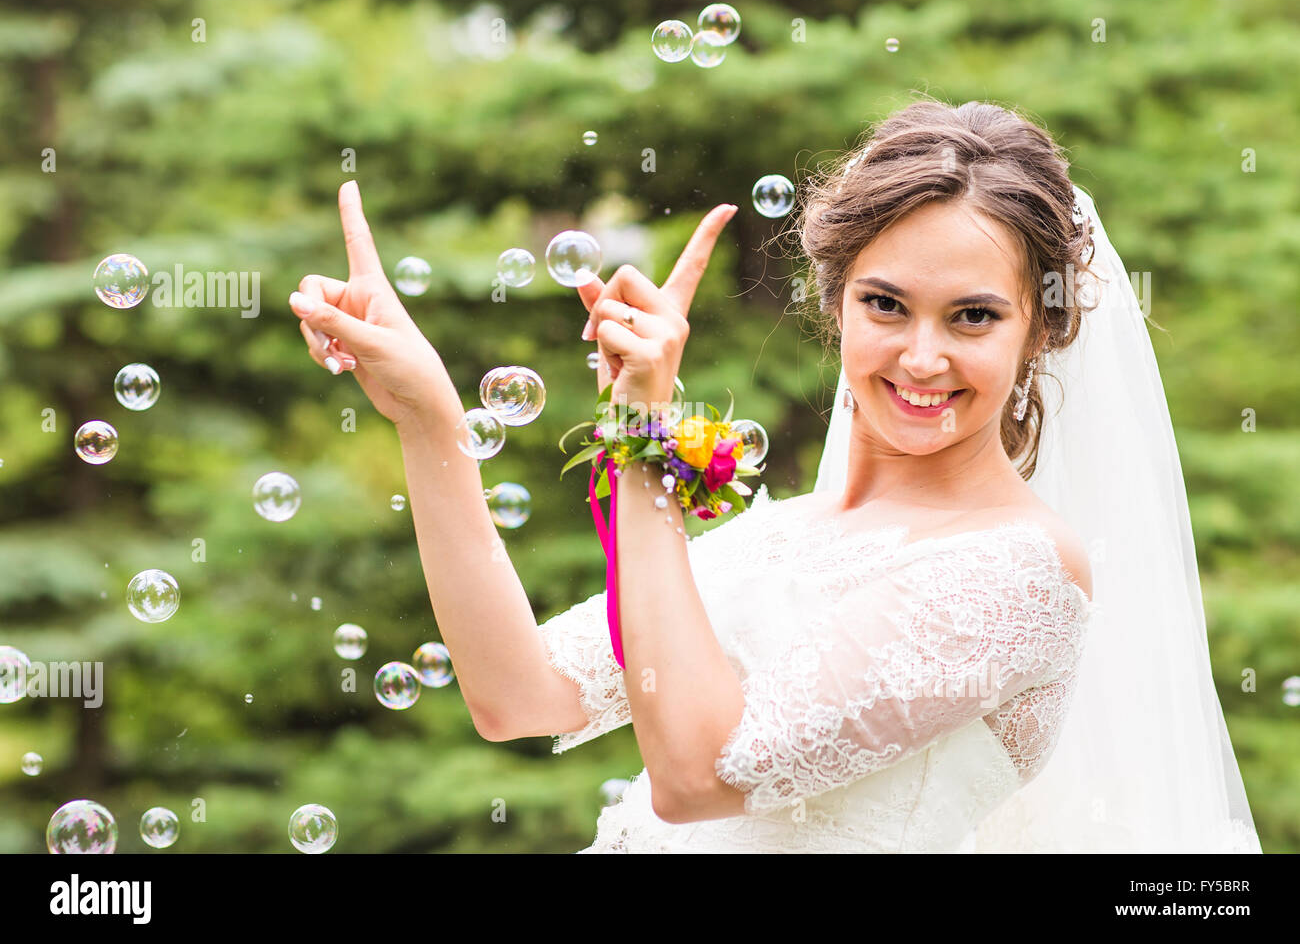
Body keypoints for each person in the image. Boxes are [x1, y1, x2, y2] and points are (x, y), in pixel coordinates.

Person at [288, 98, 1259, 853]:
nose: (921, 357)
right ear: (835, 301)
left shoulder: (1021, 570)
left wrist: (640, 433)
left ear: (1038, 328)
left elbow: (701, 771)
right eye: (885, 304)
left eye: (971, 317)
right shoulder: (776, 534)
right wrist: (428, 417)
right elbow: (519, 695)